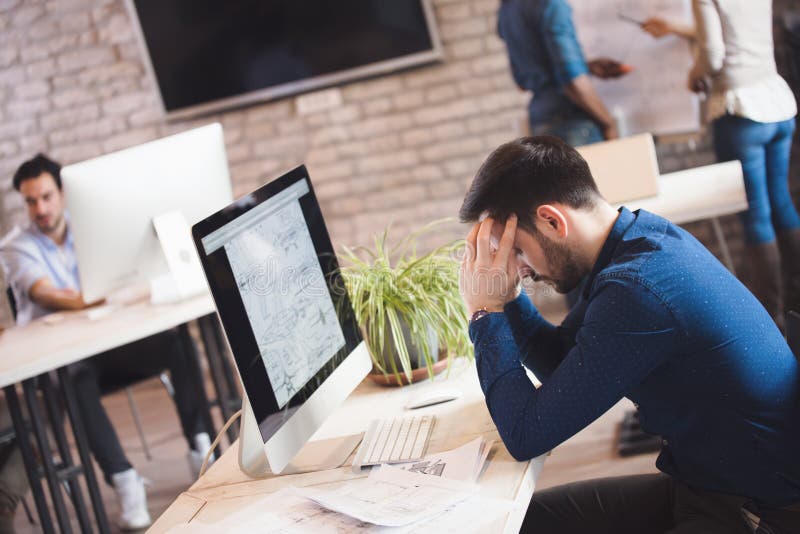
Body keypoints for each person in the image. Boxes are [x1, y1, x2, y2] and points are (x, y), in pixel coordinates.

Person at [458, 136, 800, 533]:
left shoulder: (638, 288)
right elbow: (561, 366)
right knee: (520, 523)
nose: (521, 267)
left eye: (516, 250)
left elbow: (525, 433)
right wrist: (510, 296)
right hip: (706, 486)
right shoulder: (639, 242)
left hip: (756, 512)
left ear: (552, 220)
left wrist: (486, 312)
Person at [2, 154, 215, 531]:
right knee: (75, 375)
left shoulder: (93, 228)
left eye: (47, 197)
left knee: (177, 346)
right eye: (31, 201)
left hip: (110, 346)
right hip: (61, 362)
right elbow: (50, 295)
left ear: (63, 193)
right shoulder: (17, 247)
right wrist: (110, 294)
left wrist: (130, 287)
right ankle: (124, 479)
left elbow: (127, 278)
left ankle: (203, 447)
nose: (40, 208)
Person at [641, 1, 800, 330]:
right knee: (781, 204)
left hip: (741, 110)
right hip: (776, 101)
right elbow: (737, 29)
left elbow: (713, 55)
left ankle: (773, 320)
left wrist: (694, 73)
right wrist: (674, 28)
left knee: (755, 216)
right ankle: (796, 302)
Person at [497, 0, 630, 147]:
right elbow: (571, 81)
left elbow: (522, 82)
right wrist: (609, 123)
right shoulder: (552, 4)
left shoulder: (507, 9)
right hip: (573, 122)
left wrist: (586, 67)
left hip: (541, 121)